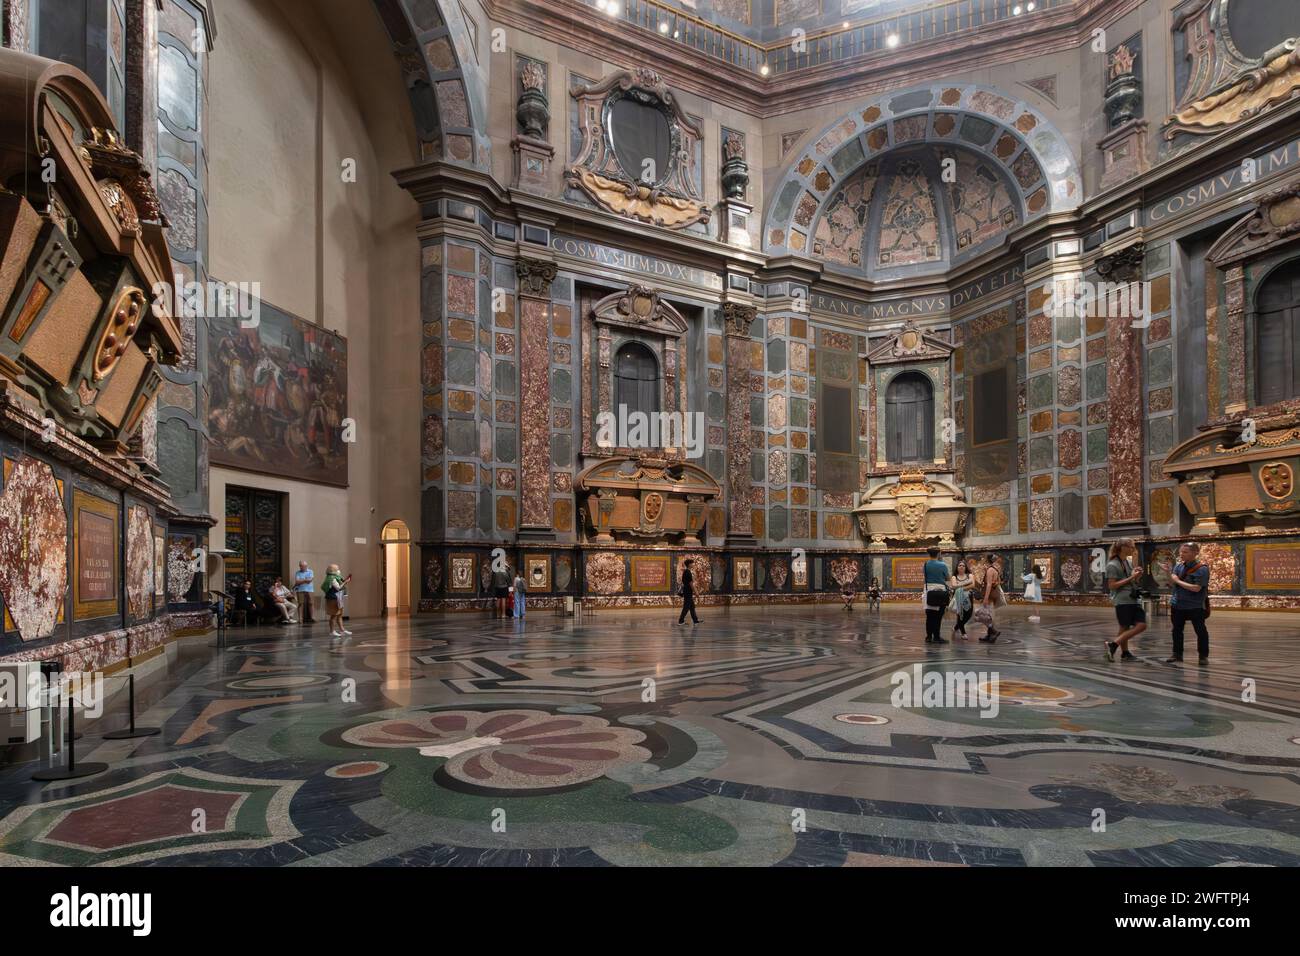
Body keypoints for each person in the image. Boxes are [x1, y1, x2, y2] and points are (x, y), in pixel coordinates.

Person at [1165, 542, 1211, 665]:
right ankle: (1177, 654)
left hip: (1195, 606)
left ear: (1195, 553)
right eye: (1181, 551)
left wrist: (1177, 581)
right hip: (1178, 605)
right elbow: (1172, 582)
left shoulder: (1202, 569)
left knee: (1200, 631)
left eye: (1185, 552)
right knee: (1176, 630)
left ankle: (1203, 656)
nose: (1181, 554)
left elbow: (1196, 588)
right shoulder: (1179, 566)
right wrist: (1168, 573)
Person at [1105, 538, 1146, 662]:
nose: (1133, 549)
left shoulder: (1126, 562)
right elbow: (1112, 585)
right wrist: (1131, 577)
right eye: (1131, 547)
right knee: (1140, 625)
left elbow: (1131, 580)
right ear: (1123, 547)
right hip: (1123, 600)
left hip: (1131, 598)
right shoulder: (1112, 565)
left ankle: (1124, 652)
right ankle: (1114, 645)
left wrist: (1136, 576)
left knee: (1125, 627)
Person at [922, 547, 950, 644]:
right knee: (938, 616)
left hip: (928, 591)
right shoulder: (943, 565)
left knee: (929, 616)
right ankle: (937, 637)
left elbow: (925, 577)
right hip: (940, 591)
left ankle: (929, 637)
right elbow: (948, 577)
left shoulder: (925, 564)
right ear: (938, 554)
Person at [976, 553, 1005, 642]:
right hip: (994, 593)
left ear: (987, 560)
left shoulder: (989, 570)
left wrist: (985, 597)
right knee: (988, 614)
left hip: (989, 594)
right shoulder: (995, 569)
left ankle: (993, 631)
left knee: (982, 615)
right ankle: (989, 635)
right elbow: (999, 581)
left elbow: (988, 585)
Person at [323, 564, 352, 637]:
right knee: (333, 615)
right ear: (333, 570)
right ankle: (332, 631)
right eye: (337, 569)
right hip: (333, 599)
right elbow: (338, 588)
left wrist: (345, 581)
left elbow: (340, 584)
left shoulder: (336, 577)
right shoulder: (331, 578)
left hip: (338, 597)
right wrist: (345, 582)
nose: (339, 570)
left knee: (340, 614)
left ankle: (342, 630)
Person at [949, 559, 975, 641]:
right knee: (960, 614)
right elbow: (953, 586)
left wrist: (960, 587)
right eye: (960, 565)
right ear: (957, 567)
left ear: (965, 567)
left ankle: (956, 627)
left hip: (968, 597)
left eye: (963, 566)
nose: (961, 567)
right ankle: (963, 633)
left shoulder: (970, 575)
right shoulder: (954, 577)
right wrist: (967, 583)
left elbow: (973, 585)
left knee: (969, 614)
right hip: (958, 597)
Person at [677, 558, 699, 625]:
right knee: (686, 607)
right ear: (689, 564)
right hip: (688, 592)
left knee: (692, 606)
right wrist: (696, 592)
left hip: (686, 591)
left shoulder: (686, 571)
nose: (693, 564)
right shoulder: (688, 572)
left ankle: (695, 620)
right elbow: (691, 584)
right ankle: (681, 621)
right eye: (692, 563)